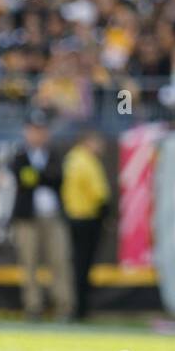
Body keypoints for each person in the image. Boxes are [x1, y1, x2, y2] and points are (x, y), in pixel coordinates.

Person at [11, 111, 72, 320]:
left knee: (59, 261)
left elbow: (56, 178)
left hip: (52, 217)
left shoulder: (55, 154)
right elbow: (23, 180)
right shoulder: (19, 156)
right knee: (29, 263)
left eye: (41, 130)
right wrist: (41, 177)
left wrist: (38, 177)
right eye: (34, 130)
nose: (37, 134)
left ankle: (63, 307)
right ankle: (32, 307)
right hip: (27, 218)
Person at [62, 129, 111, 322]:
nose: (100, 146)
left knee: (78, 265)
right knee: (82, 266)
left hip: (76, 217)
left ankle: (77, 307)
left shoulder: (72, 159)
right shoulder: (84, 161)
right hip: (85, 218)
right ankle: (79, 308)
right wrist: (106, 212)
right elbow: (99, 193)